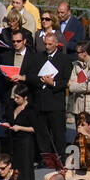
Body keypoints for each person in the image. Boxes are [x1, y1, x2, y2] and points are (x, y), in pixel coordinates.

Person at [30, 28, 71, 159]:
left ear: (56, 44)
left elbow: (66, 80)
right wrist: (40, 79)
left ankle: (61, 157)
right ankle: (45, 158)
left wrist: (52, 83)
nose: (47, 46)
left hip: (55, 102)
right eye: (45, 44)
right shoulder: (37, 57)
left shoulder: (64, 59)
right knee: (42, 133)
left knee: (58, 133)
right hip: (40, 102)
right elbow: (30, 76)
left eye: (50, 44)